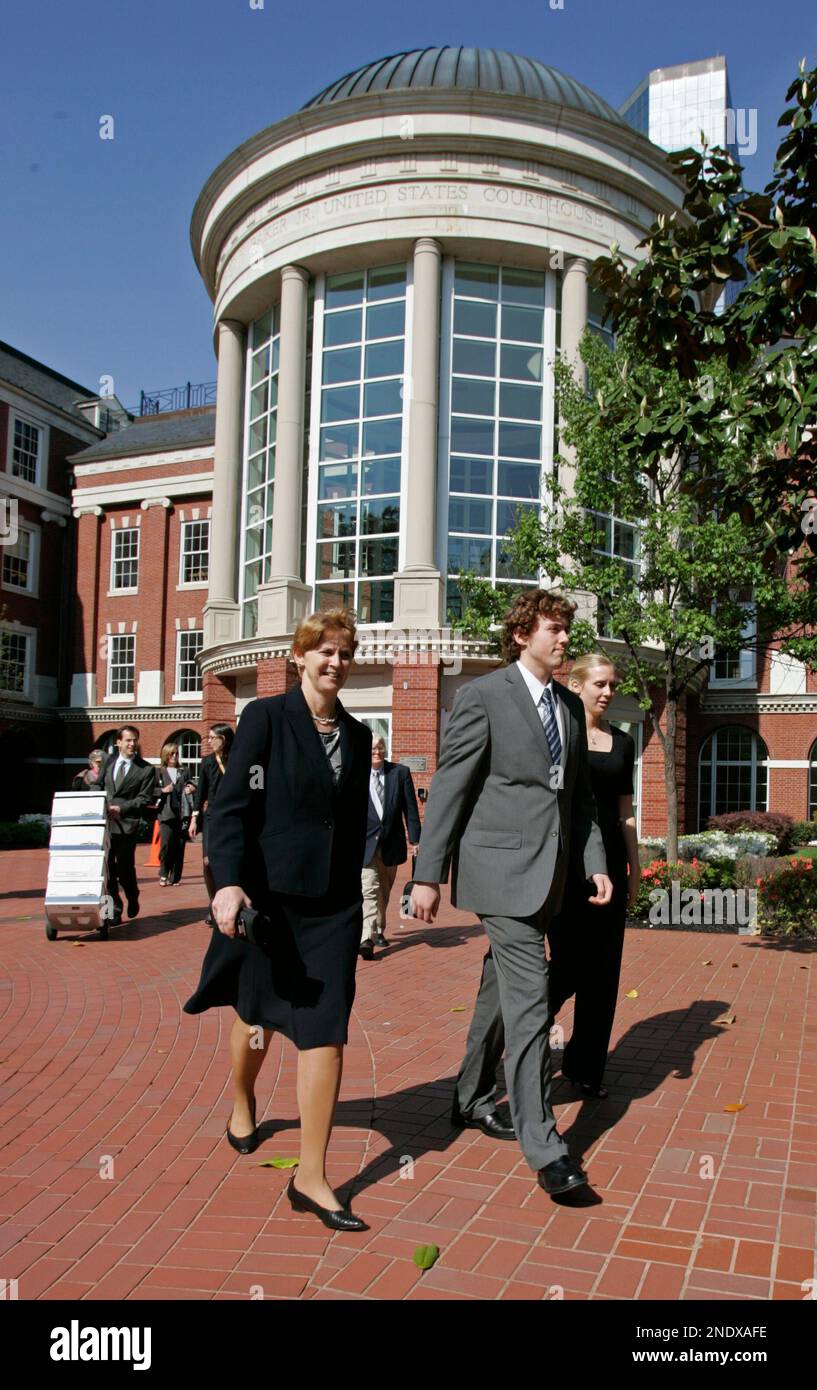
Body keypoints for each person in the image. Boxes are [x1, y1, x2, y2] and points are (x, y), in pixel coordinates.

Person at [410, 590, 612, 1199]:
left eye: (567, 631)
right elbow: (450, 786)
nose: (564, 640)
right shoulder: (483, 696)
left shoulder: (570, 710)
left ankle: (470, 1098)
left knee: (498, 992)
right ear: (522, 635)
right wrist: (426, 873)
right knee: (530, 1003)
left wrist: (594, 862)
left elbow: (578, 801)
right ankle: (547, 1149)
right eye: (554, 629)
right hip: (497, 875)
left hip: (548, 878)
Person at [183, 609, 373, 1232]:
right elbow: (230, 807)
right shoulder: (265, 718)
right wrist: (230, 883)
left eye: (344, 653)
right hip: (269, 901)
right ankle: (242, 1098)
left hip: (334, 907)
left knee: (326, 1029)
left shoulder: (360, 733)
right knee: (256, 1017)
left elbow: (344, 823)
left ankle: (311, 1176)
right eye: (323, 651)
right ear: (299, 657)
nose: (334, 662)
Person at [546, 654, 640, 1098]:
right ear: (576, 684)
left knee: (603, 972)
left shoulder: (623, 744)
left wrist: (634, 870)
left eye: (612, 686)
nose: (607, 693)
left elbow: (626, 815)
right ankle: (524, 1039)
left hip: (613, 872)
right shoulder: (560, 739)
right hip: (568, 870)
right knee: (567, 966)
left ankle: (586, 1069)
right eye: (599, 684)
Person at [359, 737, 421, 958]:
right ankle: (366, 937)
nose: (377, 751)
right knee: (369, 889)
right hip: (365, 844)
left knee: (383, 891)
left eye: (380, 747)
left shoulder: (400, 773)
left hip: (391, 844)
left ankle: (378, 929)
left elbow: (410, 810)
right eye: (373, 747)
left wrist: (415, 840)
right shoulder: (356, 773)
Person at [100, 726, 156, 924]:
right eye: (128, 740)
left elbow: (144, 798)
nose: (132, 744)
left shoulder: (146, 769)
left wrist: (121, 809)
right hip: (104, 824)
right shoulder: (108, 761)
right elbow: (99, 786)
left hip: (126, 824)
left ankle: (132, 895)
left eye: (135, 740)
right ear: (118, 742)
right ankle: (113, 909)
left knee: (124, 868)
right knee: (106, 869)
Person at [188, 724, 234, 901]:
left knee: (229, 859)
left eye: (212, 738)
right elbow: (201, 792)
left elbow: (254, 783)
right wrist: (194, 818)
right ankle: (213, 902)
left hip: (231, 816)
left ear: (224, 739)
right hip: (212, 816)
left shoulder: (238, 759)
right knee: (208, 862)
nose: (209, 741)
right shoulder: (207, 761)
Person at [155, 743, 197, 886]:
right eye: (172, 753)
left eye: (176, 753)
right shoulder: (159, 772)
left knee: (179, 845)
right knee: (166, 844)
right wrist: (162, 790)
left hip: (183, 813)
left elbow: (192, 784)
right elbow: (151, 790)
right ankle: (164, 872)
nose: (174, 756)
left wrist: (192, 787)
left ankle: (175, 877)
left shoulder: (184, 771)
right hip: (166, 813)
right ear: (166, 755)